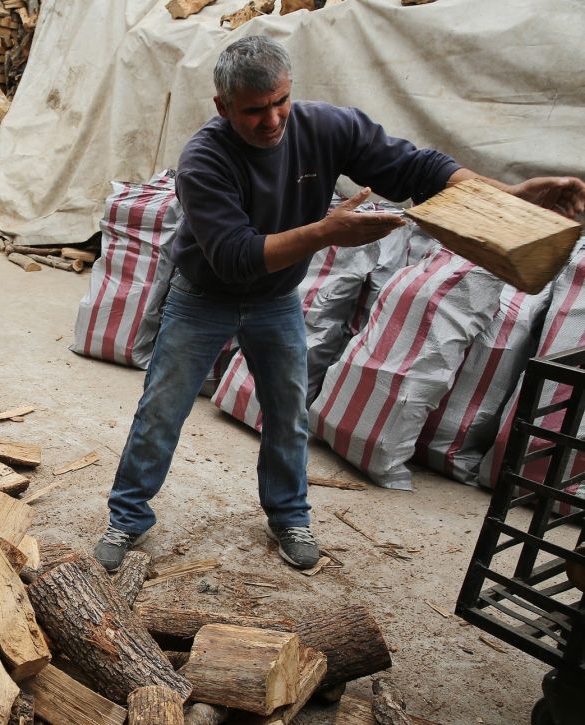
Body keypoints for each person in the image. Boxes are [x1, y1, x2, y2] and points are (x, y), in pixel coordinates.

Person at [94, 35, 585, 572]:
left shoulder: (327, 126)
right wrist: (327, 232)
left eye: (281, 101)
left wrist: (506, 196)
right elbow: (236, 257)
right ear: (222, 106)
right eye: (254, 111)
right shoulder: (204, 159)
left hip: (276, 299)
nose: (272, 119)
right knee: (161, 412)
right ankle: (128, 517)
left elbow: (418, 169)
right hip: (203, 297)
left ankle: (288, 516)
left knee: (287, 414)